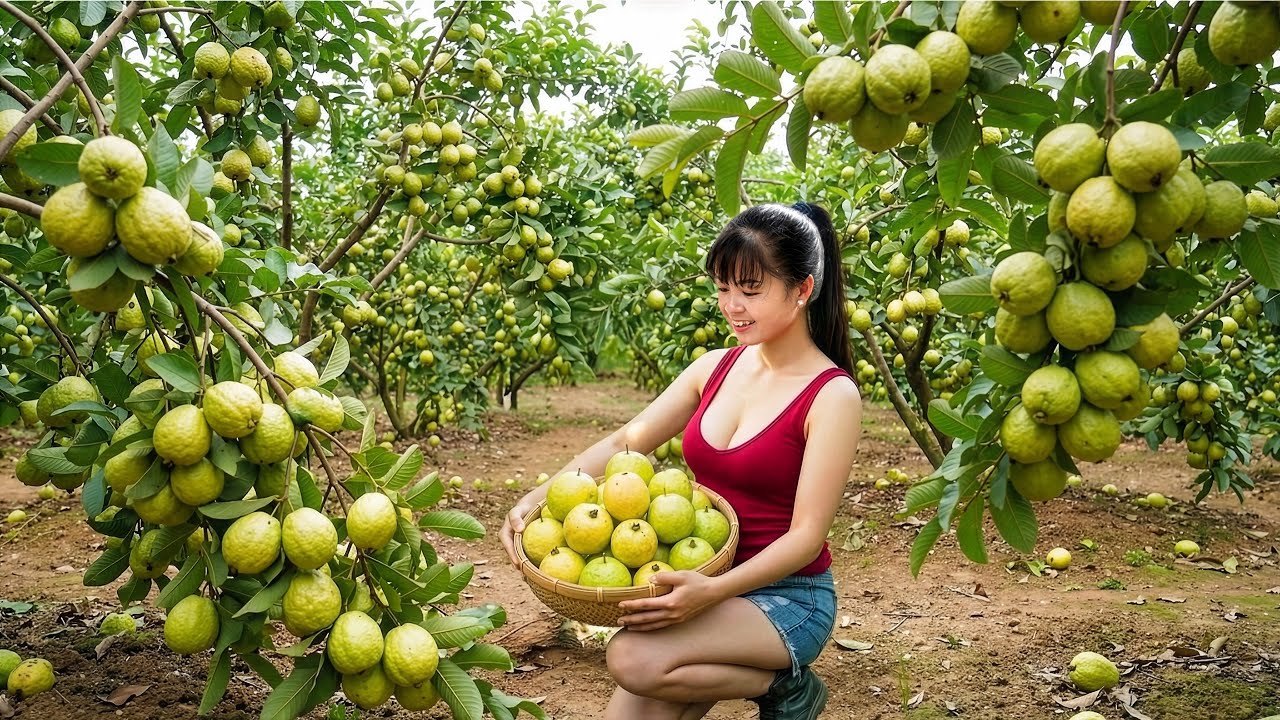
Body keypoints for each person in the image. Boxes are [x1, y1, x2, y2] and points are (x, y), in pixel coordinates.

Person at [500, 202, 862, 720]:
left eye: (751, 290)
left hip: (785, 597)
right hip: (697, 569)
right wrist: (534, 499)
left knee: (632, 657)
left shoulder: (831, 395)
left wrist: (710, 591)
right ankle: (768, 683)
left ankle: (784, 688)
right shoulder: (715, 367)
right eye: (722, 288)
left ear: (803, 289)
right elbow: (629, 440)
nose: (733, 305)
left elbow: (806, 536)